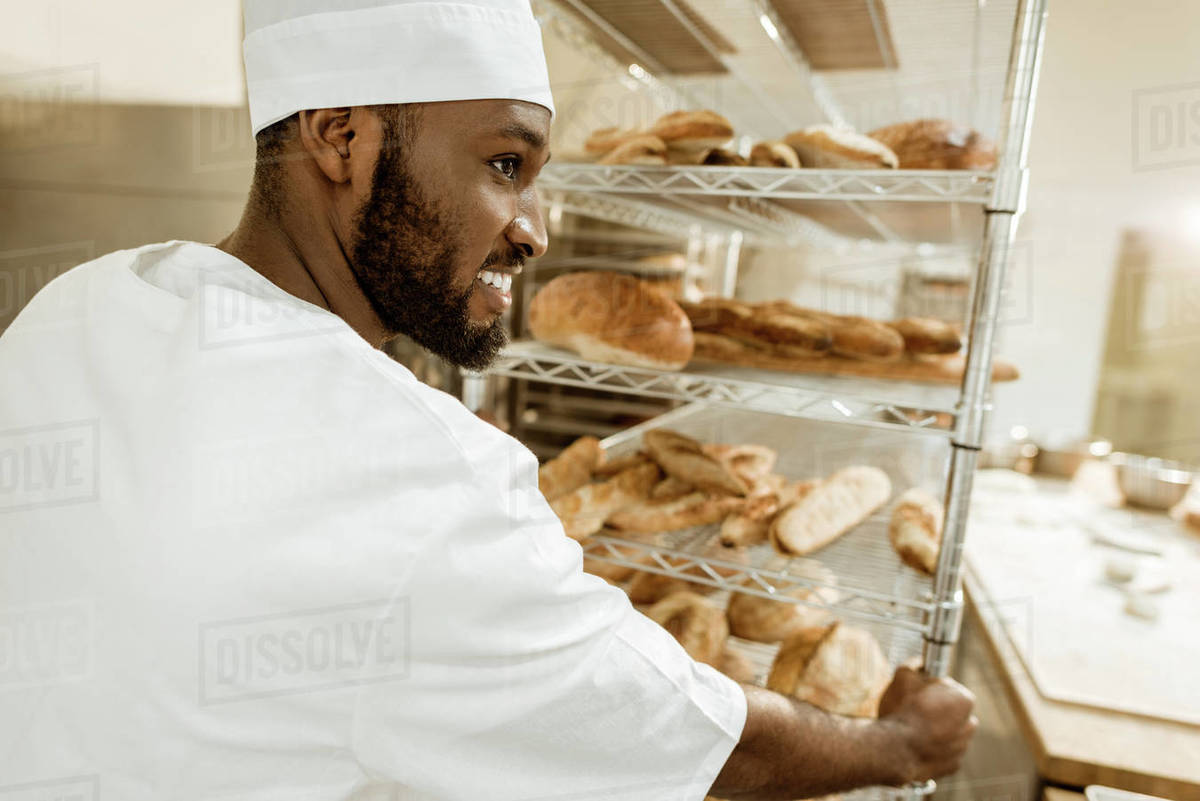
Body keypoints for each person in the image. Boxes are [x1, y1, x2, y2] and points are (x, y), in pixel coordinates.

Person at [0, 1, 976, 798]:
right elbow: (692, 740)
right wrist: (898, 744)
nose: (536, 231)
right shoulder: (415, 469)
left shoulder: (86, 301)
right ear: (340, 137)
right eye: (505, 165)